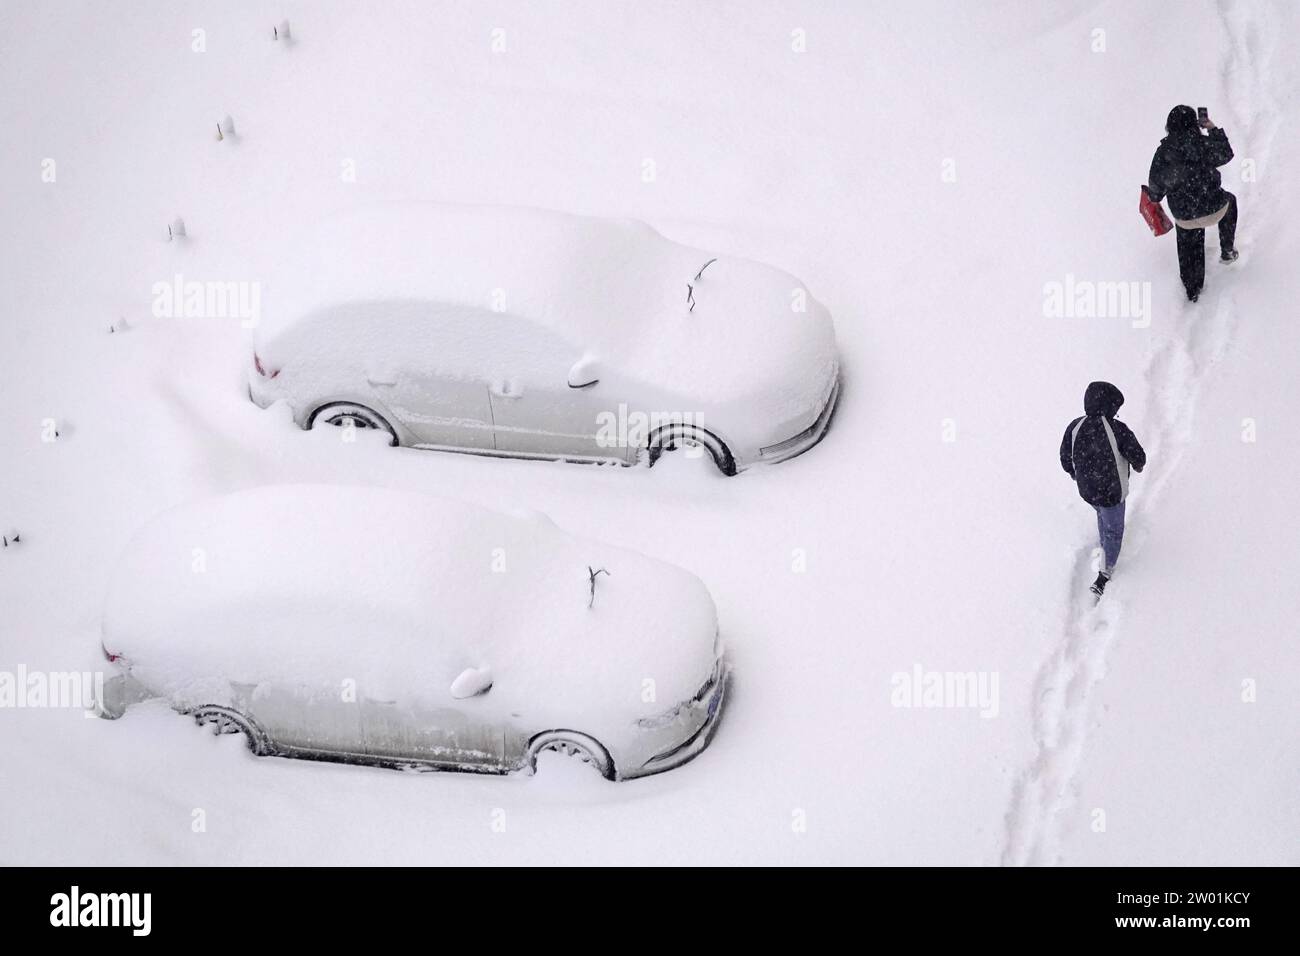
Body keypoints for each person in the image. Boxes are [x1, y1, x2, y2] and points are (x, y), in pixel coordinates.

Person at [1060, 382, 1147, 596]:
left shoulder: (1075, 426)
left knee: (1101, 514)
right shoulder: (1117, 429)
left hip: (1087, 491)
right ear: (1109, 406)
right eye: (1115, 408)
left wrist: (1074, 473)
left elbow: (1065, 457)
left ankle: (1103, 543)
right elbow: (1138, 455)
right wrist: (1138, 465)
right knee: (1114, 531)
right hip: (1112, 493)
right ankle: (1105, 573)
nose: (1116, 413)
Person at [1146, 105, 1238, 302]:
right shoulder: (1203, 144)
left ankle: (1192, 289)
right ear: (1195, 123)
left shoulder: (1163, 153)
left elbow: (1155, 191)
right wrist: (1212, 128)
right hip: (1216, 208)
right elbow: (1227, 153)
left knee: (1189, 238)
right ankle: (1228, 250)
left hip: (1185, 217)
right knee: (1231, 201)